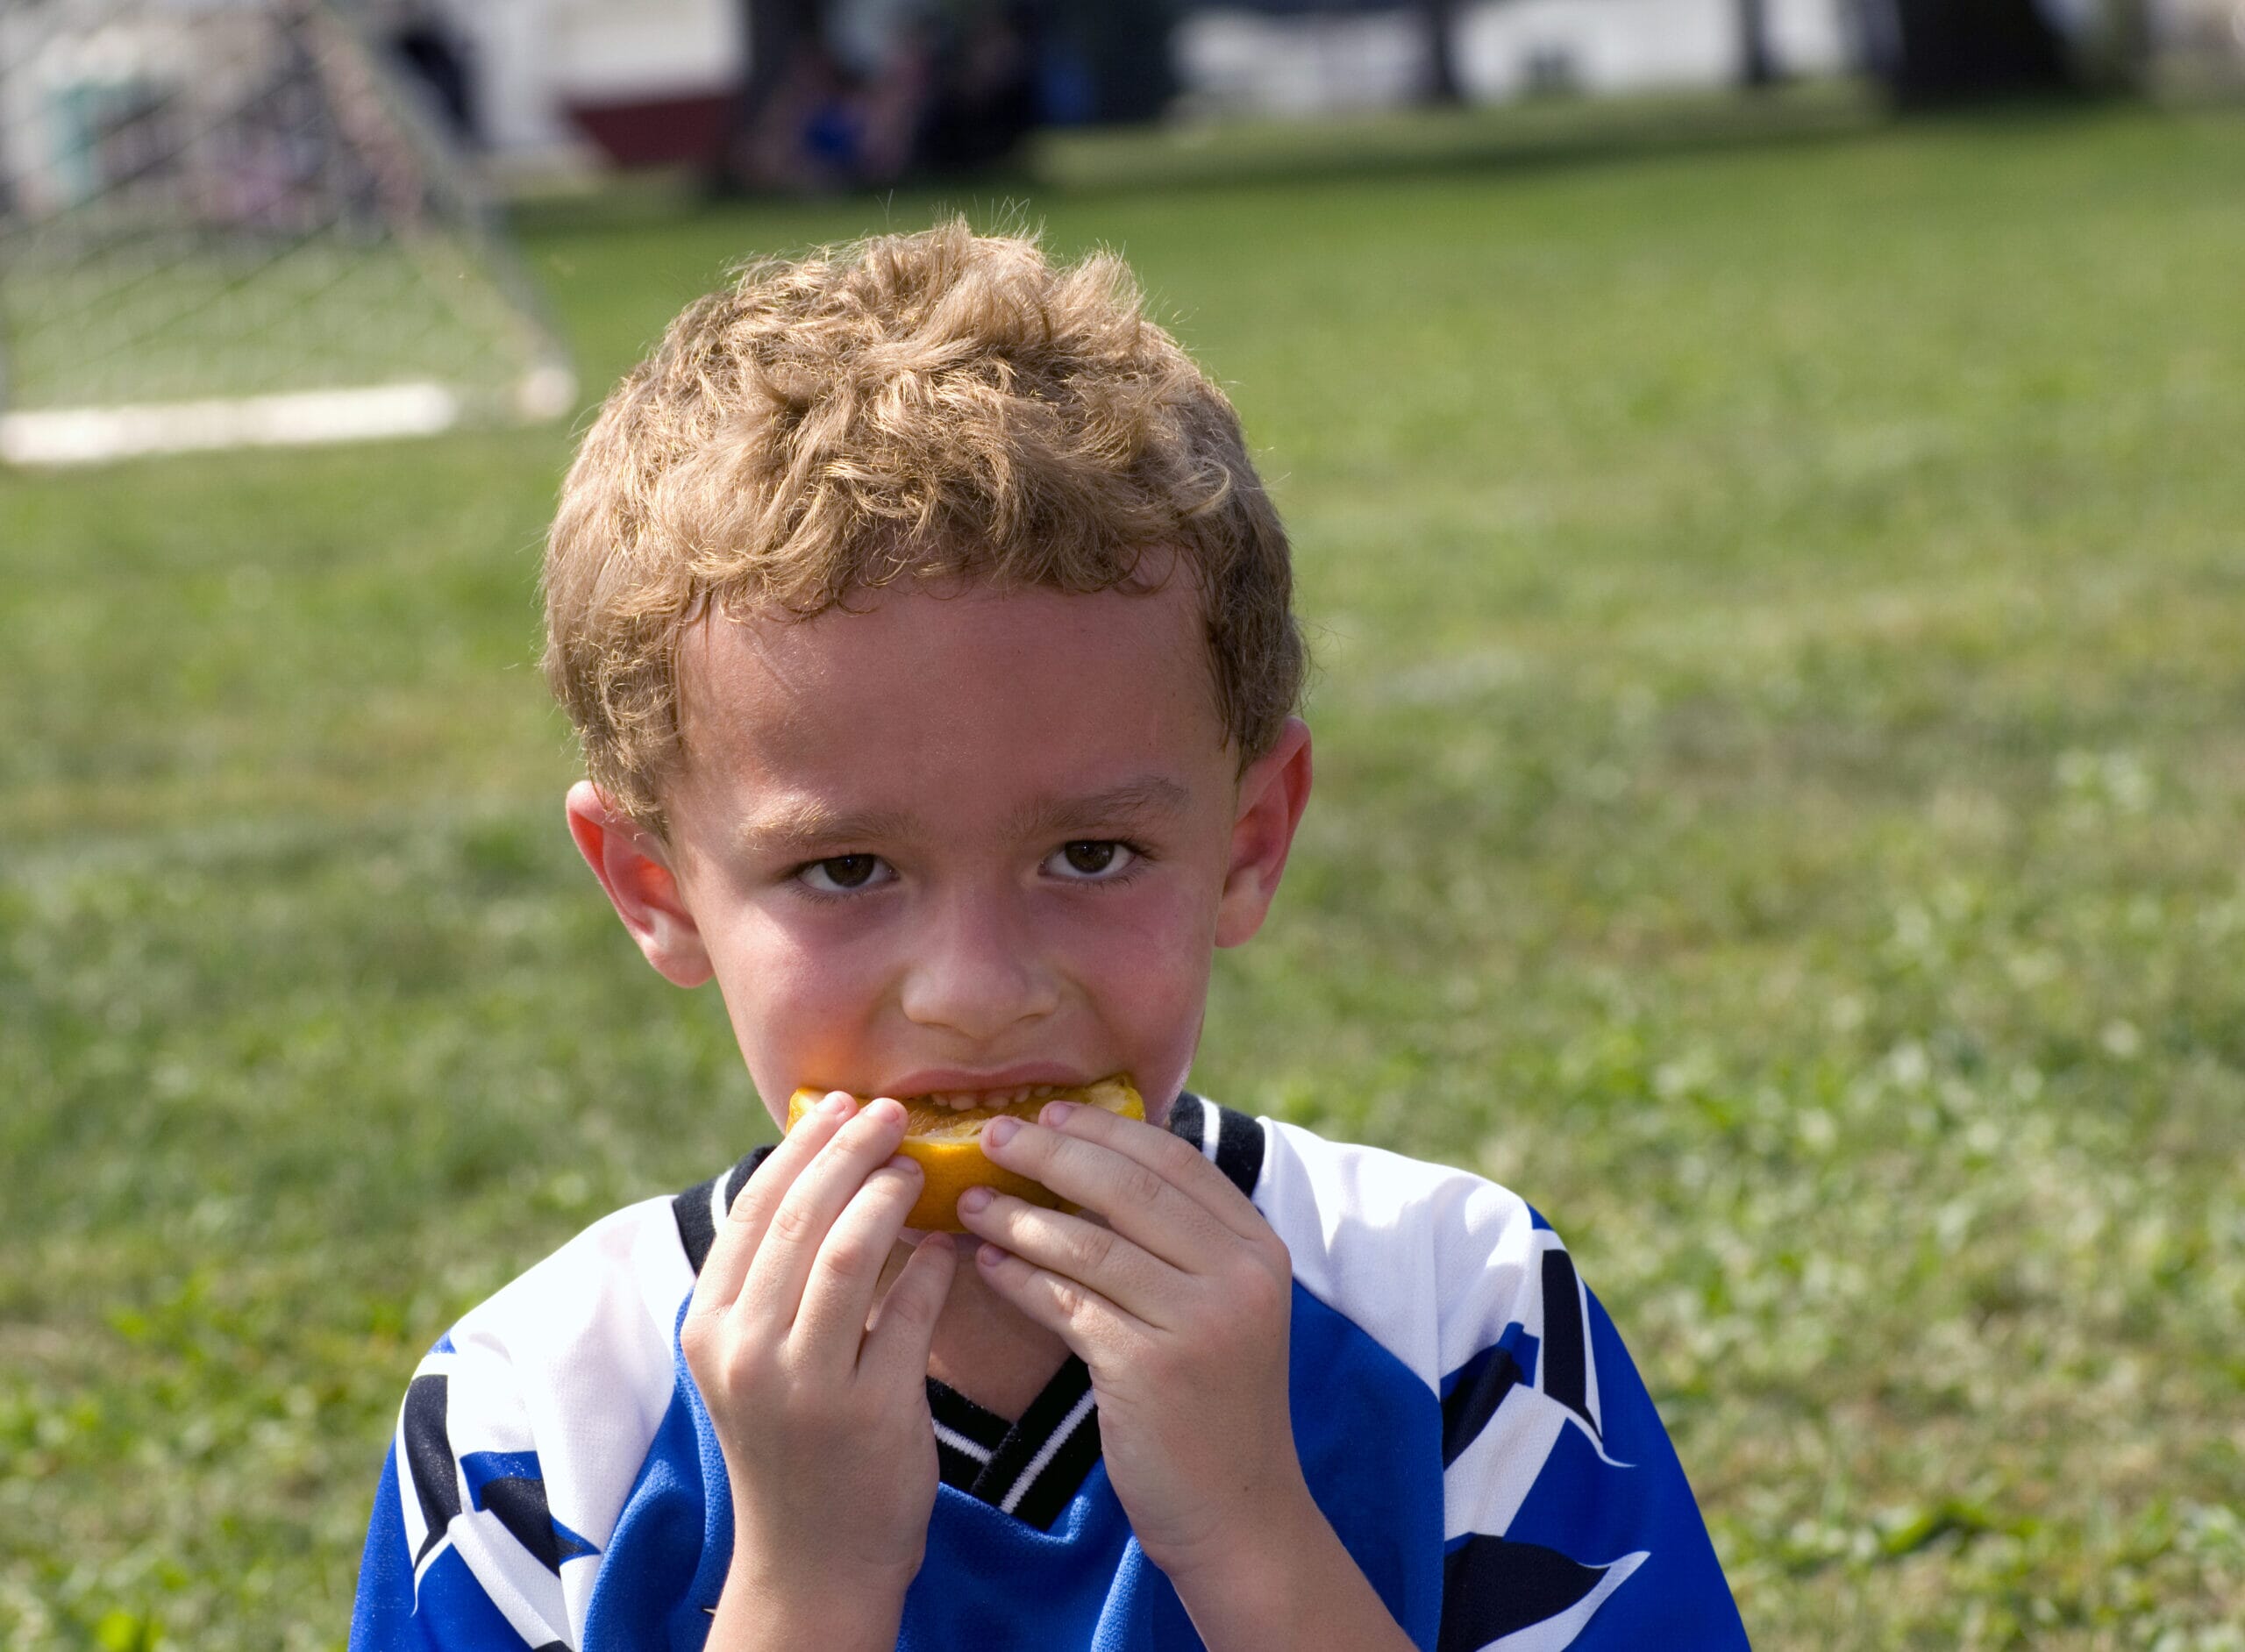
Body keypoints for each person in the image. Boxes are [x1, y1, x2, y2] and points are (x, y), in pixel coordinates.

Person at [346, 222, 1750, 1652]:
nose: (978, 995)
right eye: (845, 870)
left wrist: (1252, 1528)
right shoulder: (532, 1427)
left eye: (1090, 855)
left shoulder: (1463, 1317)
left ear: (1248, 843)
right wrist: (805, 1583)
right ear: (654, 884)